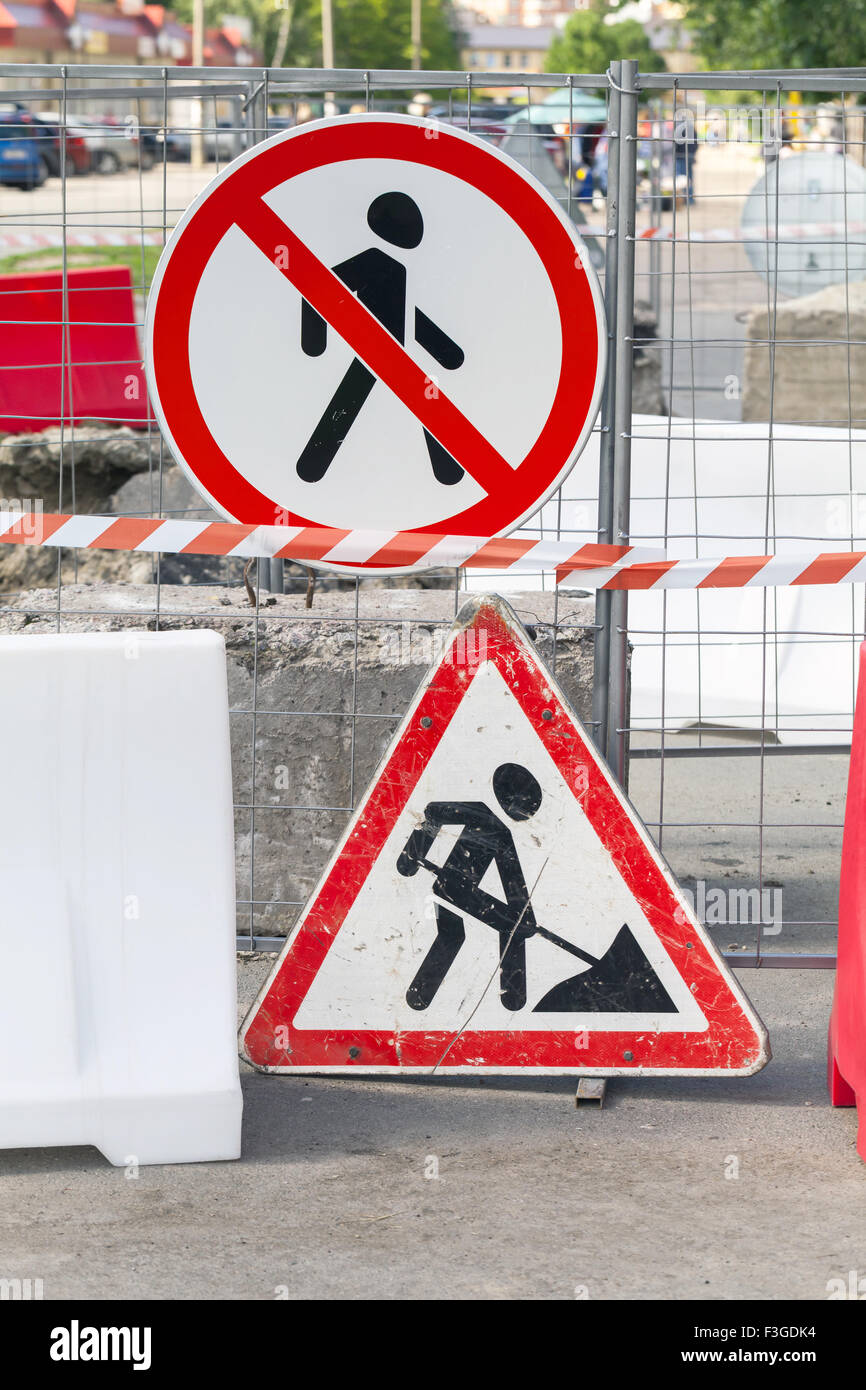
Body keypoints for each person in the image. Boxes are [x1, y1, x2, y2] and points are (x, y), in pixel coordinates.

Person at [297, 191, 465, 485]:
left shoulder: (396, 268)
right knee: (349, 406)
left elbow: (408, 314)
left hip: (395, 354)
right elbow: (316, 293)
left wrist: (447, 352)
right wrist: (313, 342)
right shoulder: (372, 261)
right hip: (375, 352)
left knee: (360, 404)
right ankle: (311, 467)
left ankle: (451, 470)